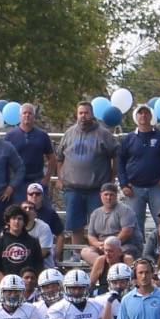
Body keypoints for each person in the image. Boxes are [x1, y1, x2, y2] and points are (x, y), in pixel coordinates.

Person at [55, 100, 117, 237]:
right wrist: (59, 178)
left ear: (92, 114)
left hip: (97, 189)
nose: (83, 116)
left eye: (86, 113)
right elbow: (59, 158)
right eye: (80, 113)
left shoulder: (104, 134)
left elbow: (116, 156)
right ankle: (77, 256)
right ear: (77, 115)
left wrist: (112, 179)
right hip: (72, 189)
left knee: (99, 225)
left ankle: (97, 254)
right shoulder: (69, 133)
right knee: (75, 225)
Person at [117, 103, 160, 219]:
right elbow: (120, 163)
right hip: (134, 189)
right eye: (140, 113)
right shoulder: (128, 139)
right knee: (135, 226)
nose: (143, 115)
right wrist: (124, 184)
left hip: (157, 187)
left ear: (151, 116)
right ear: (136, 116)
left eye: (146, 113)